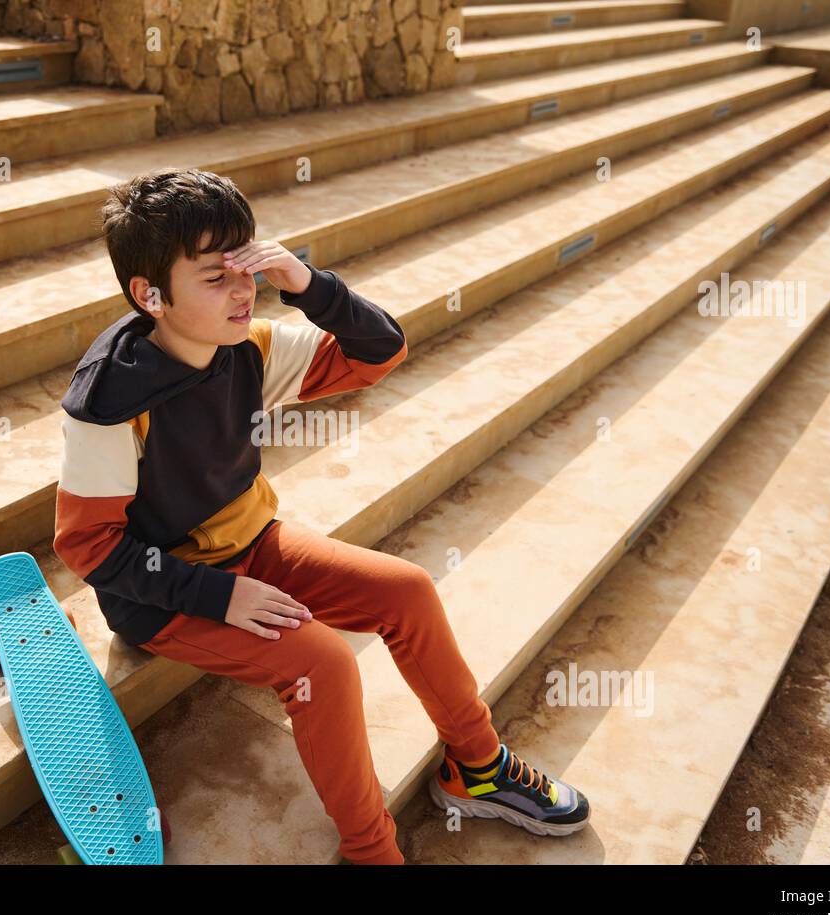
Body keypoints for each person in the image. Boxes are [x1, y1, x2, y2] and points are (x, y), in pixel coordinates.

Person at [52, 166, 589, 864]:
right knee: (323, 663)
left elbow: (381, 350)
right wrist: (218, 594)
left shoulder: (250, 346)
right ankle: (372, 852)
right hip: (162, 597)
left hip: (254, 545)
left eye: (245, 266)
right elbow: (89, 548)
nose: (244, 289)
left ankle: (477, 768)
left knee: (408, 591)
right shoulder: (109, 404)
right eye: (215, 277)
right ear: (148, 294)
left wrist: (307, 283)